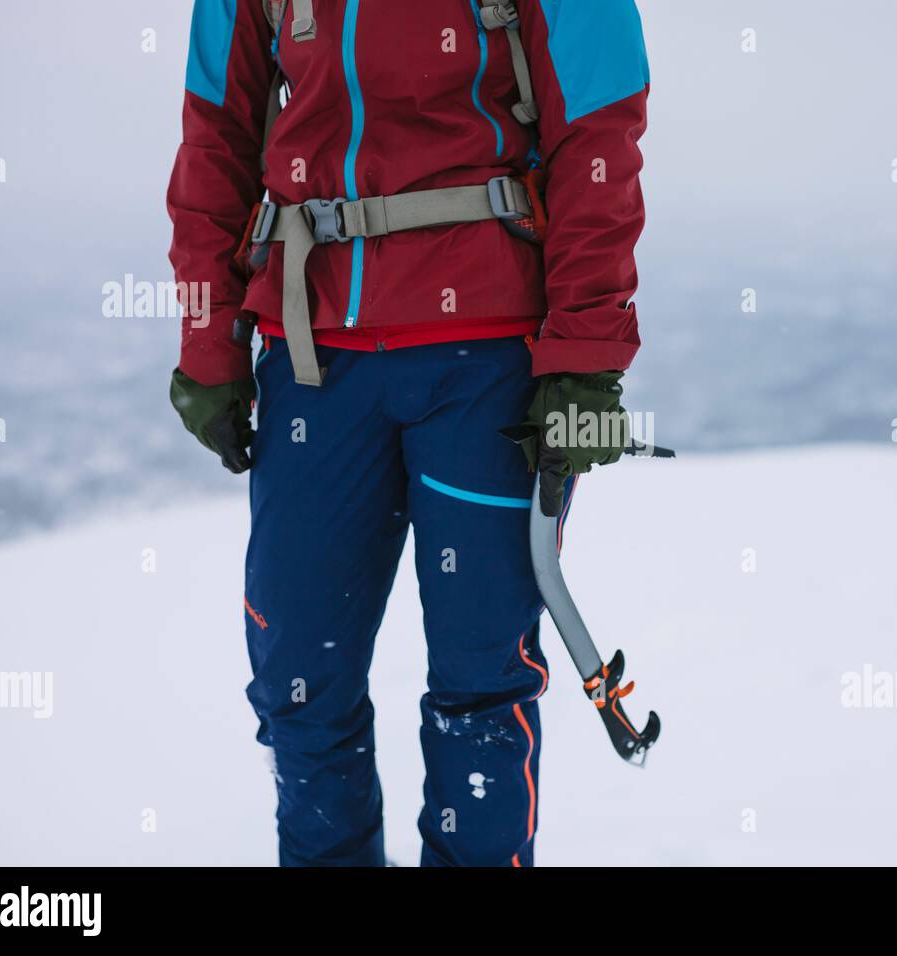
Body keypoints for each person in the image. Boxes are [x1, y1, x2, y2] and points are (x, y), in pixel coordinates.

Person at [166, 0, 648, 867]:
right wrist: (209, 342)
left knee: (480, 685)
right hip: (313, 363)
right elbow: (215, 136)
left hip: (489, 361)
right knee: (297, 684)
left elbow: (598, 134)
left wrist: (585, 354)